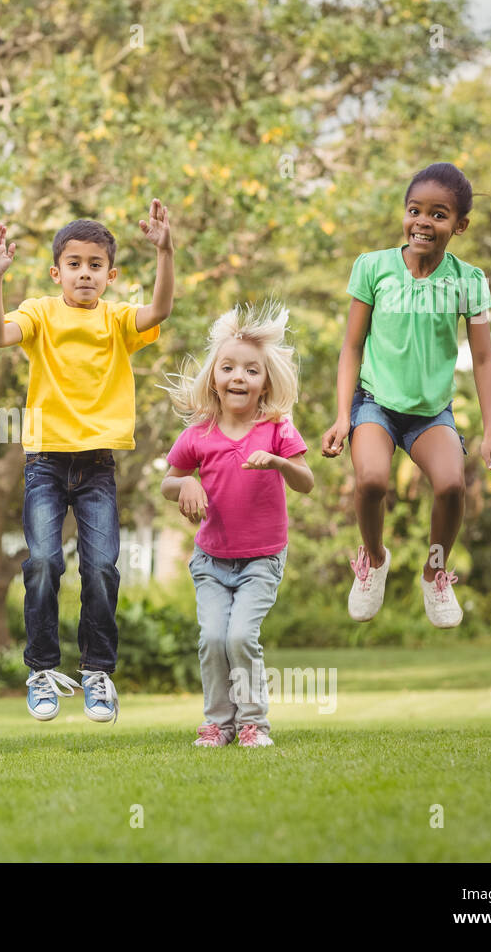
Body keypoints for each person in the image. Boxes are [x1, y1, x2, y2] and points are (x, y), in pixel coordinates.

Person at [0, 201, 174, 722]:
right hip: (45, 460)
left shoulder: (117, 320)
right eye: (74, 264)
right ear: (56, 271)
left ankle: (97, 674)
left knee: (102, 569)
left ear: (111, 276)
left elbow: (158, 312)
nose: (84, 273)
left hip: (96, 467)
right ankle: (42, 671)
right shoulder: (40, 312)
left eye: (95, 265)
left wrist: (164, 252)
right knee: (43, 563)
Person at [321, 162, 491, 628]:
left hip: (431, 413)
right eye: (415, 210)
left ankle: (435, 571)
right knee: (371, 482)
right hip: (375, 404)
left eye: (439, 214)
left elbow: (484, 361)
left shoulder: (469, 280)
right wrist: (343, 416)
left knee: (450, 486)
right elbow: (351, 347)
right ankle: (374, 559)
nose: (423, 221)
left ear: (460, 225)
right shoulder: (374, 268)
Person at [160, 302, 313, 748]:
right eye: (228, 368)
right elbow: (168, 482)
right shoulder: (198, 435)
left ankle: (252, 723)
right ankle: (217, 723)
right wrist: (184, 485)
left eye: (251, 370)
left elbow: (306, 482)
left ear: (266, 382)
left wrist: (280, 463)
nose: (238, 377)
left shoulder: (277, 428)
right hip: (211, 559)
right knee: (212, 638)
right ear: (214, 378)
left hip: (262, 558)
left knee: (241, 635)